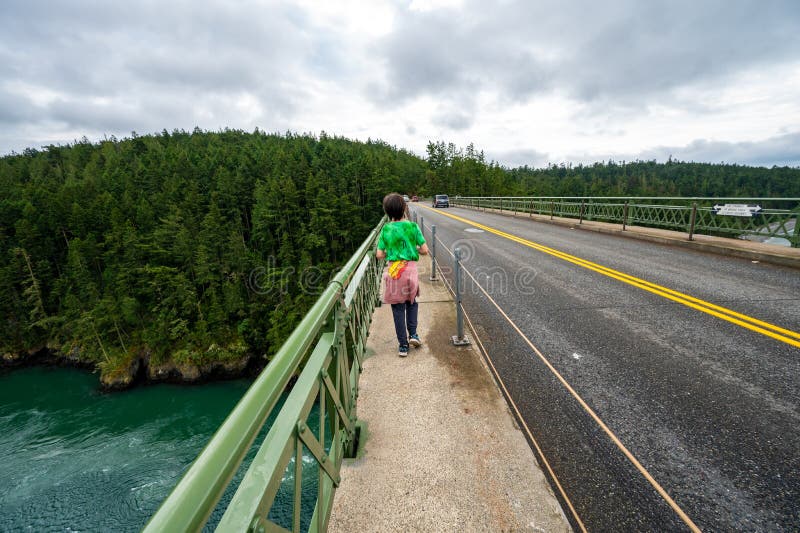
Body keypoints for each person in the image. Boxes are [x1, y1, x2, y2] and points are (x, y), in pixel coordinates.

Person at [376, 193, 429, 357]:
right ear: (404, 208)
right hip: (410, 270)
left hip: (394, 271)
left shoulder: (386, 229)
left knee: (398, 308)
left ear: (387, 212)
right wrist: (414, 251)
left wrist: (391, 253)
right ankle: (413, 334)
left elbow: (379, 254)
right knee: (411, 302)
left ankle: (403, 346)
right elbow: (425, 250)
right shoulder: (412, 227)